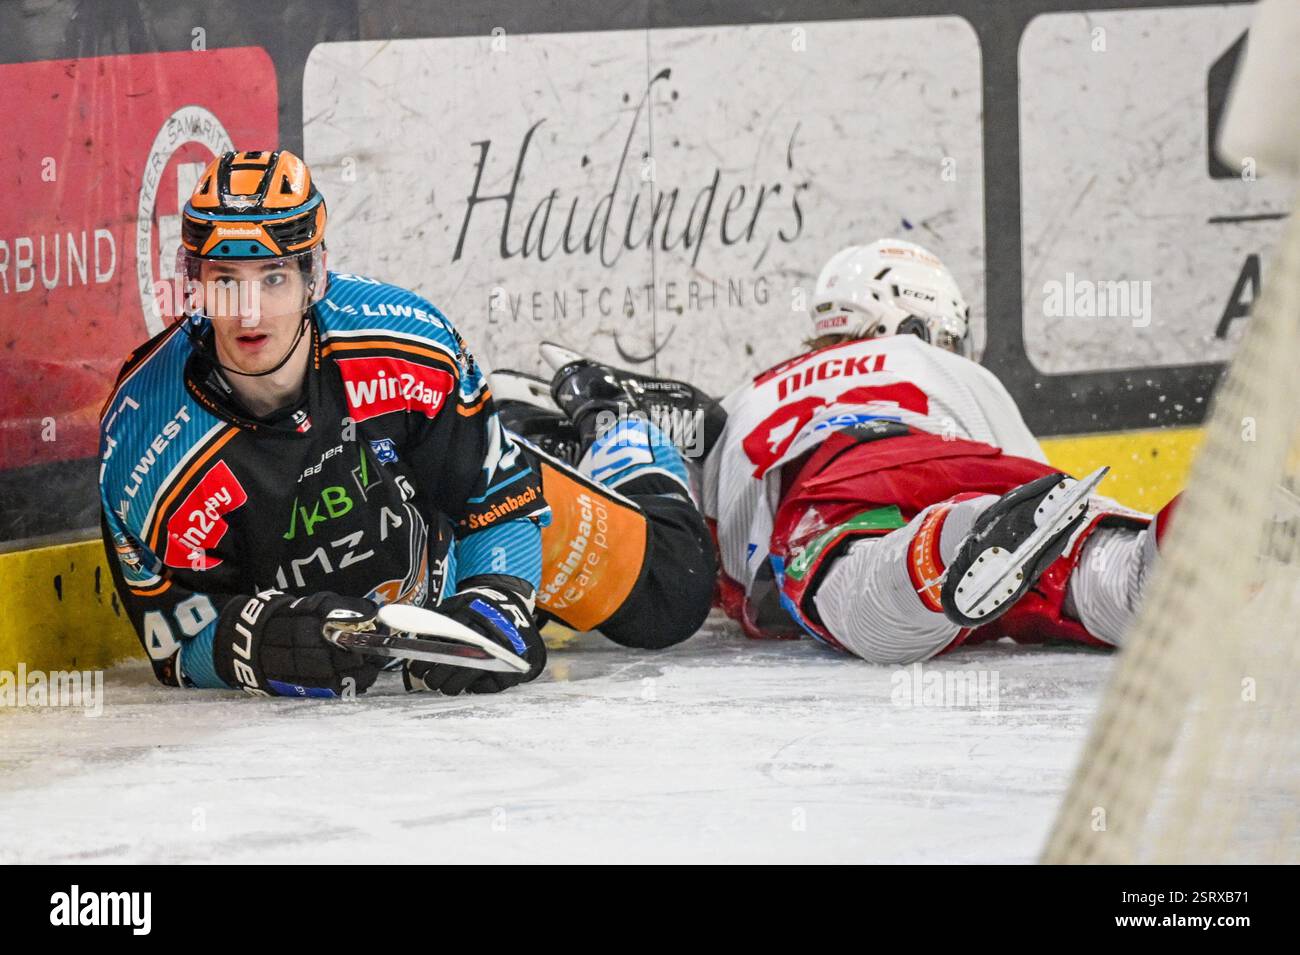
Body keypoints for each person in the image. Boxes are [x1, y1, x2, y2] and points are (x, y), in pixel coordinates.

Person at [99, 149, 712, 700]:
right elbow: (170, 635)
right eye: (225, 281)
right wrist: (253, 646)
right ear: (195, 284)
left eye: (276, 278)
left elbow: (497, 500)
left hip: (456, 544)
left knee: (672, 596)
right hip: (395, 592)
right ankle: (527, 422)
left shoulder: (402, 341)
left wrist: (495, 601)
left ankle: (614, 420)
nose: (249, 311)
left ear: (315, 278)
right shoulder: (143, 440)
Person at [533, 239, 1175, 665]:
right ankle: (1158, 556)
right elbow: (1051, 490)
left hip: (838, 483)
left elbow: (709, 542)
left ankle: (946, 544)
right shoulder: (936, 366)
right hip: (968, 463)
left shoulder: (757, 391)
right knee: (1074, 562)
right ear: (921, 325)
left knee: (853, 581)